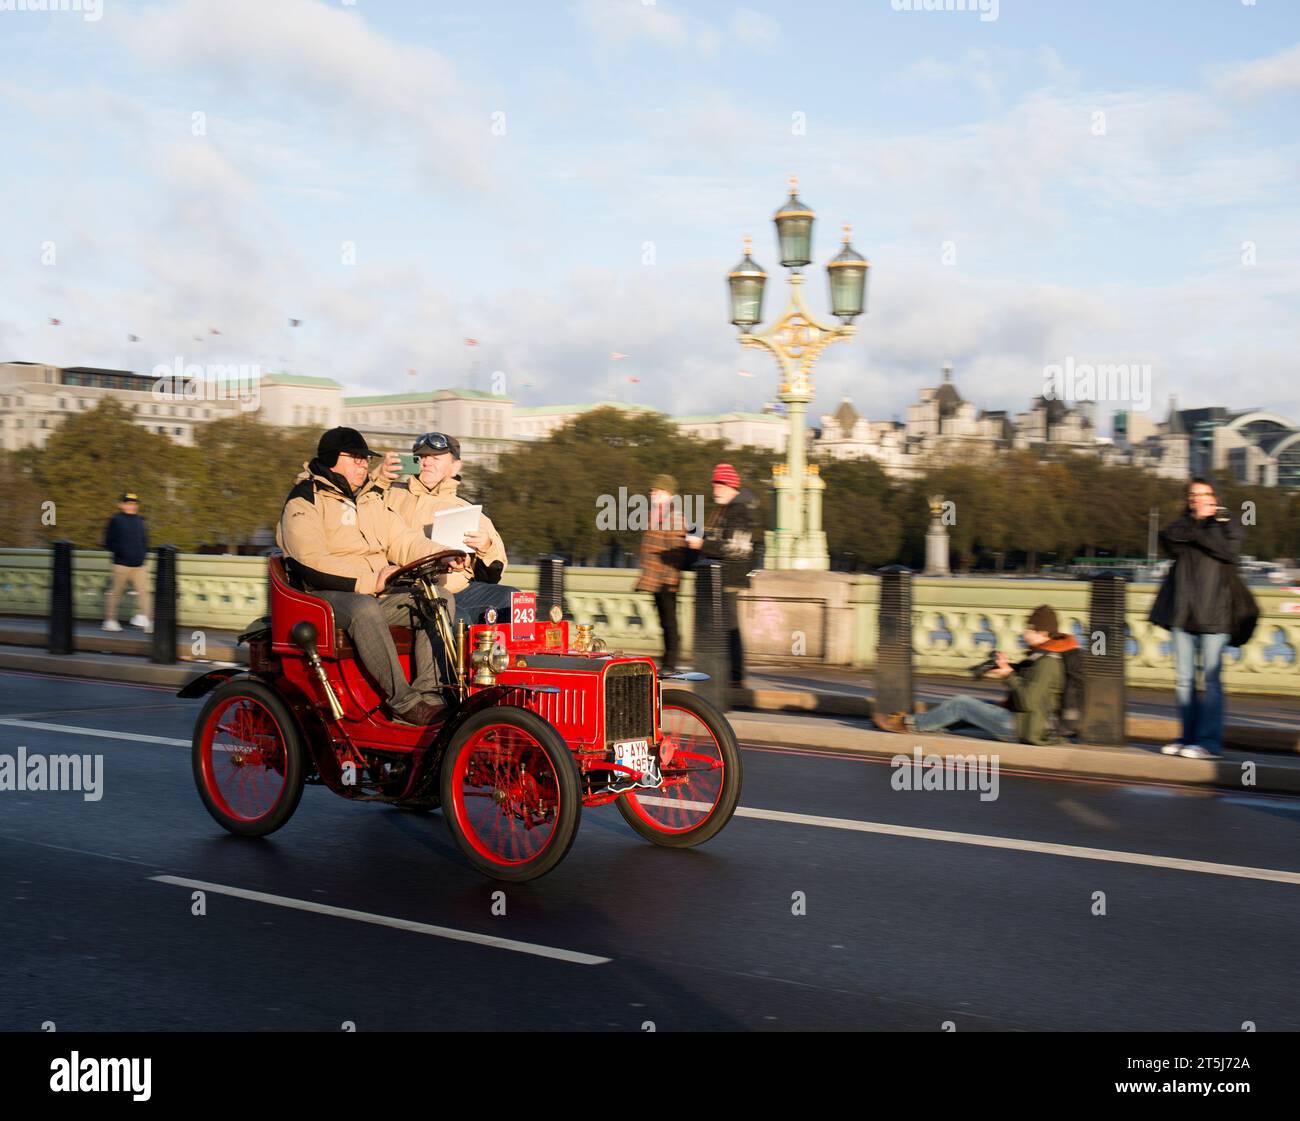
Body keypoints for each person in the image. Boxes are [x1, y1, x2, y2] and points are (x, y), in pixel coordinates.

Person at [276, 427, 457, 726]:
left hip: (374, 590)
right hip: (322, 596)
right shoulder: (304, 499)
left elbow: (404, 540)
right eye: (357, 458)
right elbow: (309, 561)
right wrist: (368, 581)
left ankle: (431, 696)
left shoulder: (369, 499)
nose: (364, 464)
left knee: (439, 598)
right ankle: (403, 703)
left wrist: (444, 552)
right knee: (364, 607)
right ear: (333, 459)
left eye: (365, 459)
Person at [1149, 477, 1252, 759]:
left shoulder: (1228, 526)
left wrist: (1206, 526)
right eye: (1193, 495)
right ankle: (1188, 737)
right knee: (1184, 680)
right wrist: (1194, 524)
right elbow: (1169, 541)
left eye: (1204, 494)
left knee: (1211, 681)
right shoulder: (1182, 524)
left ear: (1214, 498)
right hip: (1183, 613)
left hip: (1215, 614)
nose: (1198, 499)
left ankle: (1209, 743)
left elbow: (1228, 552)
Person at [876, 606, 1077, 745]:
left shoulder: (1047, 662)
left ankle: (909, 724)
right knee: (978, 704)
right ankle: (931, 723)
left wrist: (1008, 675)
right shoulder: (1046, 655)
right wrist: (1010, 668)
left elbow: (1028, 701)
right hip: (1033, 724)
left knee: (961, 703)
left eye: (1029, 628)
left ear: (1042, 632)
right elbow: (1033, 690)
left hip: (1025, 729)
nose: (1024, 632)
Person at [382, 432, 517, 626]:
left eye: (435, 458)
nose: (426, 463)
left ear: (455, 467)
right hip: (410, 591)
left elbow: (492, 575)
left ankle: (503, 656)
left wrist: (486, 546)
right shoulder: (390, 494)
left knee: (513, 599)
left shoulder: (467, 510)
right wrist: (381, 478)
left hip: (458, 590)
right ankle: (463, 657)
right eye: (421, 457)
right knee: (458, 616)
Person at [686, 463, 755, 686]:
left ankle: (735, 676)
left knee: (729, 625)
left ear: (729, 485)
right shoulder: (726, 508)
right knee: (725, 625)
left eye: (718, 485)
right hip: (720, 576)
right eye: (714, 485)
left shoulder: (739, 510)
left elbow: (736, 547)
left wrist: (702, 544)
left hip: (729, 577)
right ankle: (730, 673)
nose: (714, 490)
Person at [635, 474, 688, 672]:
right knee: (664, 621)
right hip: (655, 578)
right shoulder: (656, 514)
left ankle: (671, 662)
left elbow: (676, 552)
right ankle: (667, 660)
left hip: (666, 579)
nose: (652, 494)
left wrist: (669, 580)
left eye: (656, 491)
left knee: (669, 621)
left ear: (668, 493)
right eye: (652, 491)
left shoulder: (674, 517)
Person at [102, 492, 152, 633]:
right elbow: (108, 542)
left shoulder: (140, 521)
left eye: (134, 503)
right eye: (128, 503)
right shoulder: (115, 520)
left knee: (145, 593)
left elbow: (145, 540)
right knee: (116, 593)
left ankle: (148, 621)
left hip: (139, 565)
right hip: (121, 564)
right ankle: (110, 621)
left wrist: (143, 555)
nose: (132, 506)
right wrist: (121, 553)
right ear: (122, 505)